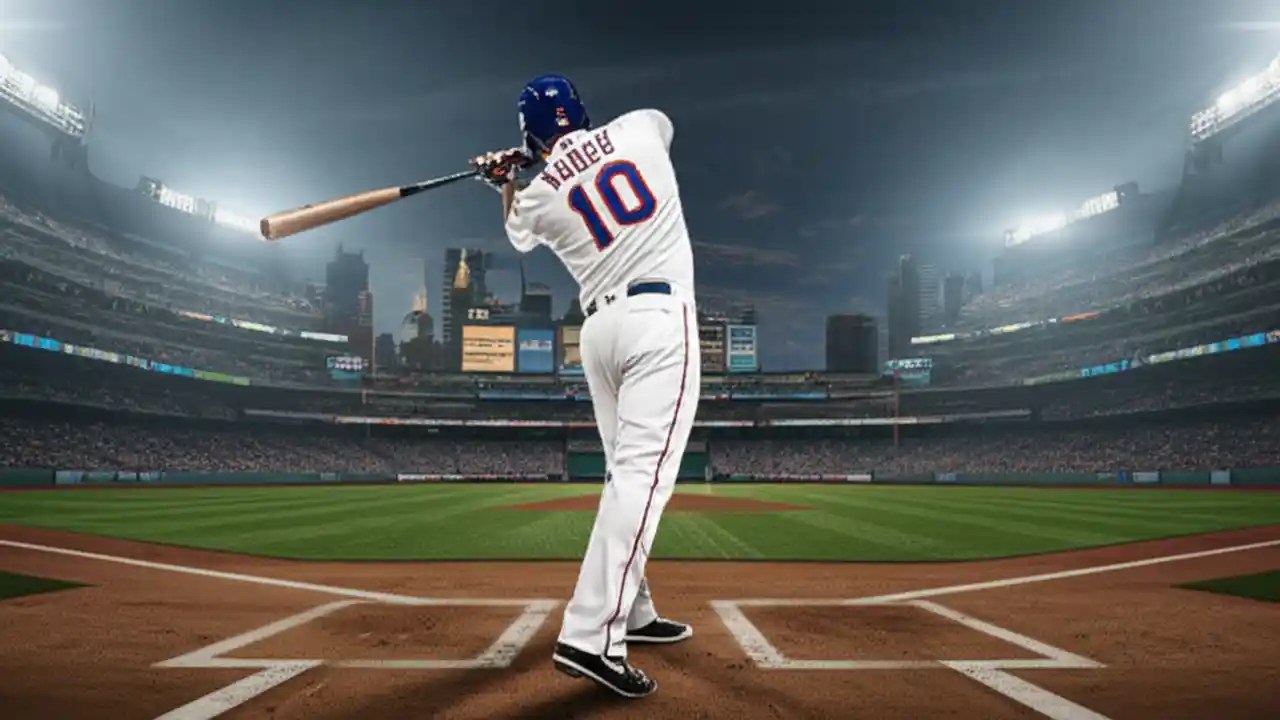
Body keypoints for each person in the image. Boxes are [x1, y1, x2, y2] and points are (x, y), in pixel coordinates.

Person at [471, 73, 700, 699]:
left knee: (623, 476)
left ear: (531, 136)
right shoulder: (640, 125)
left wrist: (509, 177)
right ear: (581, 111)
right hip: (658, 319)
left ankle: (635, 611)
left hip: (598, 335)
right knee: (641, 479)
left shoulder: (540, 194)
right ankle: (590, 636)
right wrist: (541, 159)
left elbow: (518, 232)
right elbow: (656, 131)